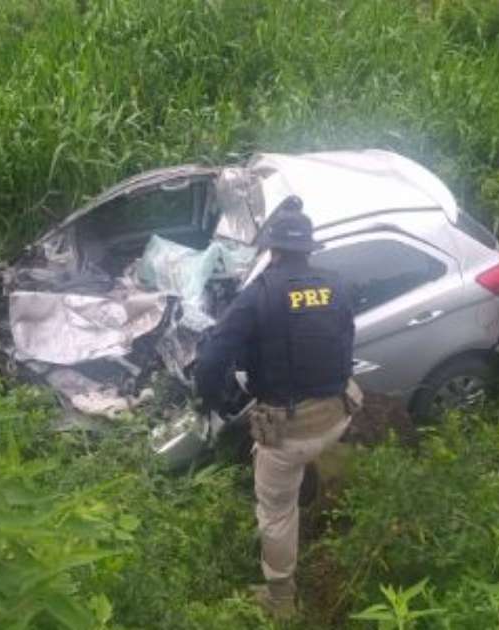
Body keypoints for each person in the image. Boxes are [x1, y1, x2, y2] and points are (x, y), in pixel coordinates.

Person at [195, 195, 360, 619]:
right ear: (309, 249)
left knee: (276, 512)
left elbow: (211, 360)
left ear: (273, 248)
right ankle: (327, 472)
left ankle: (281, 599)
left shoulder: (258, 295)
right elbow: (343, 340)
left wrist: (218, 401)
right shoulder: (338, 284)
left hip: (289, 435)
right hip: (338, 415)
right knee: (322, 440)